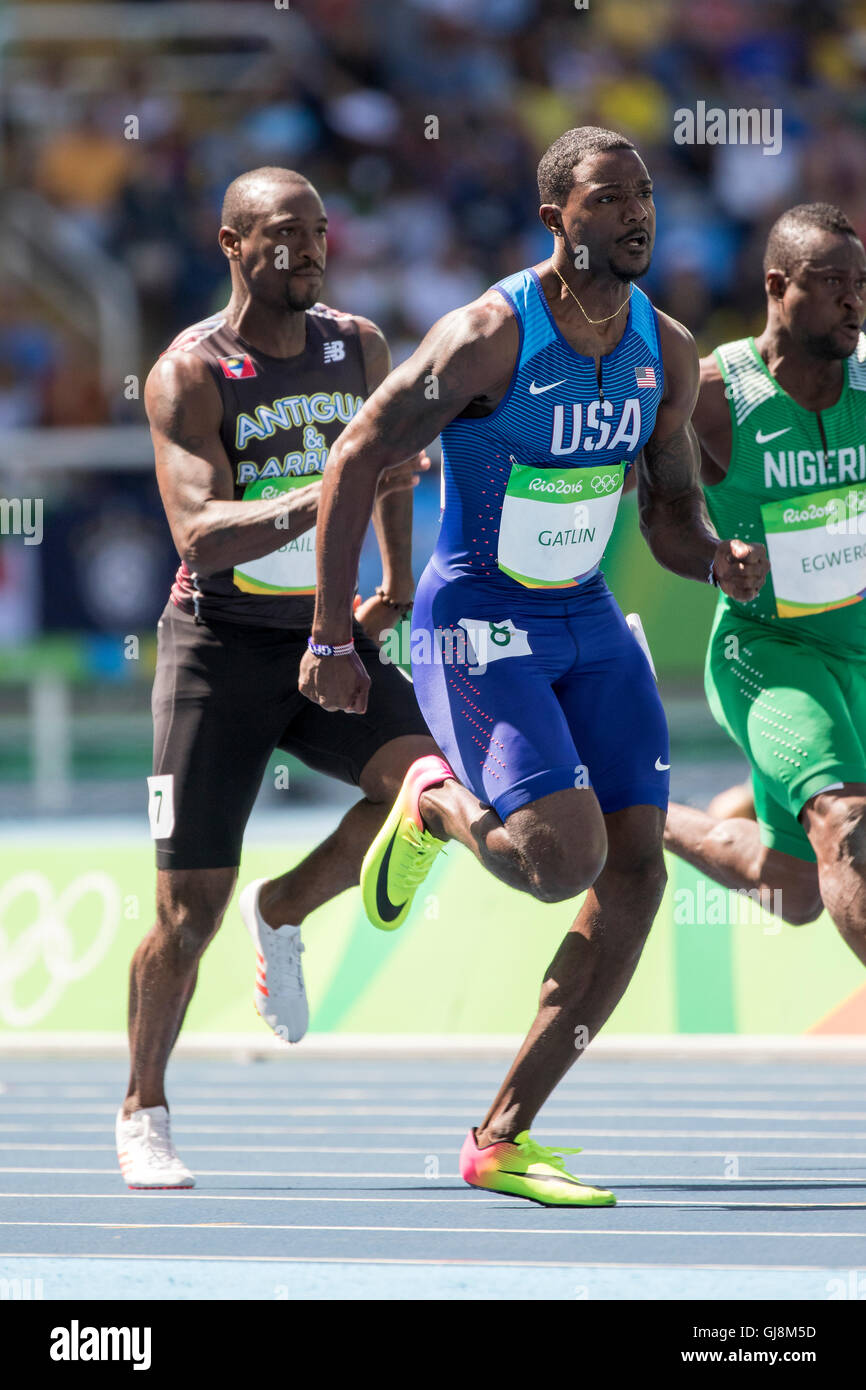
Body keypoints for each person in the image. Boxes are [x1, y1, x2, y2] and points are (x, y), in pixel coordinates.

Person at [299, 128, 767, 1206]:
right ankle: (434, 807)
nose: (635, 215)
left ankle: (499, 1138)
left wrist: (715, 561)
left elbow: (665, 512)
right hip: (477, 622)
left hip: (587, 620)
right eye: (608, 200)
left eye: (643, 196)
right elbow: (355, 453)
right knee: (560, 860)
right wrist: (333, 631)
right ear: (554, 217)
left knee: (638, 871)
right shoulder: (485, 338)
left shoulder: (668, 349)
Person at [117, 167, 441, 1189]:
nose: (303, 251)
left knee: (433, 788)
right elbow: (202, 537)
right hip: (217, 649)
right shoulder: (190, 373)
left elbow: (389, 471)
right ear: (229, 243)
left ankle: (288, 908)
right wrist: (327, 488)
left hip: (327, 637)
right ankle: (143, 1106)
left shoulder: (360, 346)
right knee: (186, 913)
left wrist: (389, 578)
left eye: (316, 233)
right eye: (278, 236)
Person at [664, 203, 866, 965]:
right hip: (767, 648)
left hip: (860, 653)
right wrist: (717, 552)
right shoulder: (716, 397)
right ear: (779, 285)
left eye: (862, 283)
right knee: (845, 822)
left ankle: (641, 815)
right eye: (833, 282)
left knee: (796, 888)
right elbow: (650, 507)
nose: (854, 300)